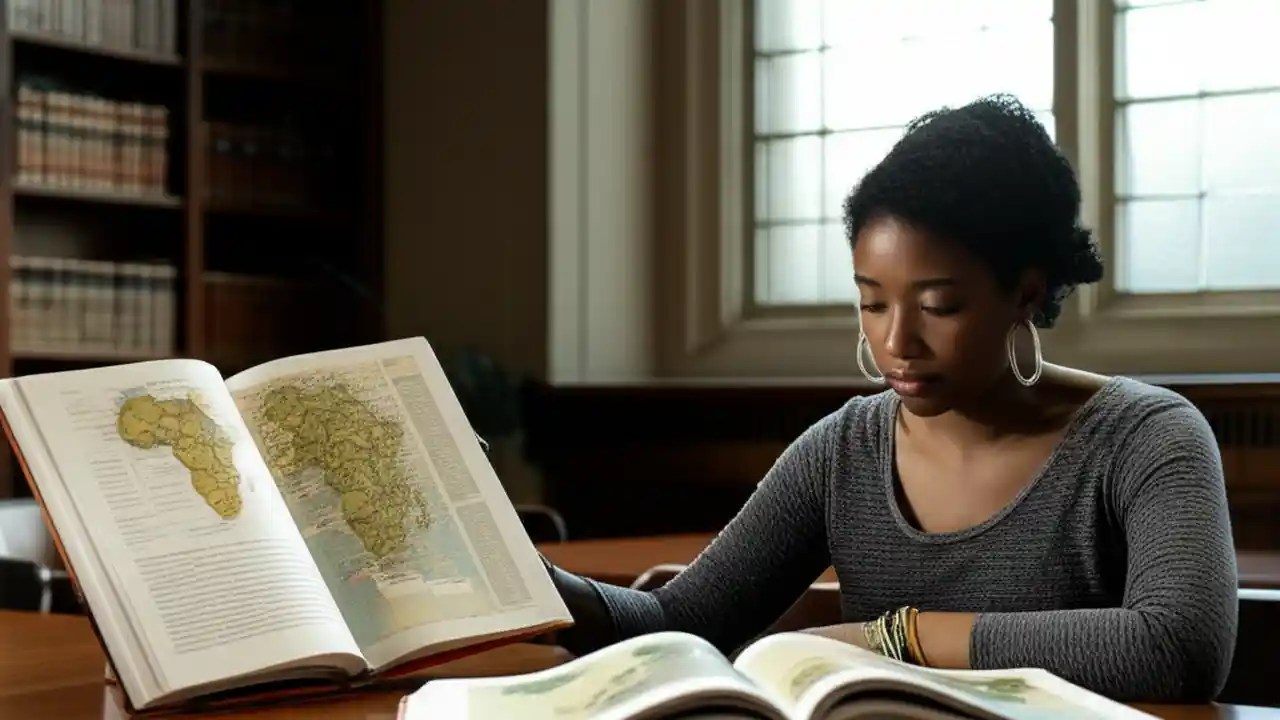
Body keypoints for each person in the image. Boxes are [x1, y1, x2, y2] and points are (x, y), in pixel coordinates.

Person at [540, 94, 1238, 703]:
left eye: (938, 305)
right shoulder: (843, 452)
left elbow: (1176, 648)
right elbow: (677, 621)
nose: (897, 341)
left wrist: (895, 637)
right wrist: (523, 579)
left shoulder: (1149, 439)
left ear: (1024, 292)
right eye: (872, 303)